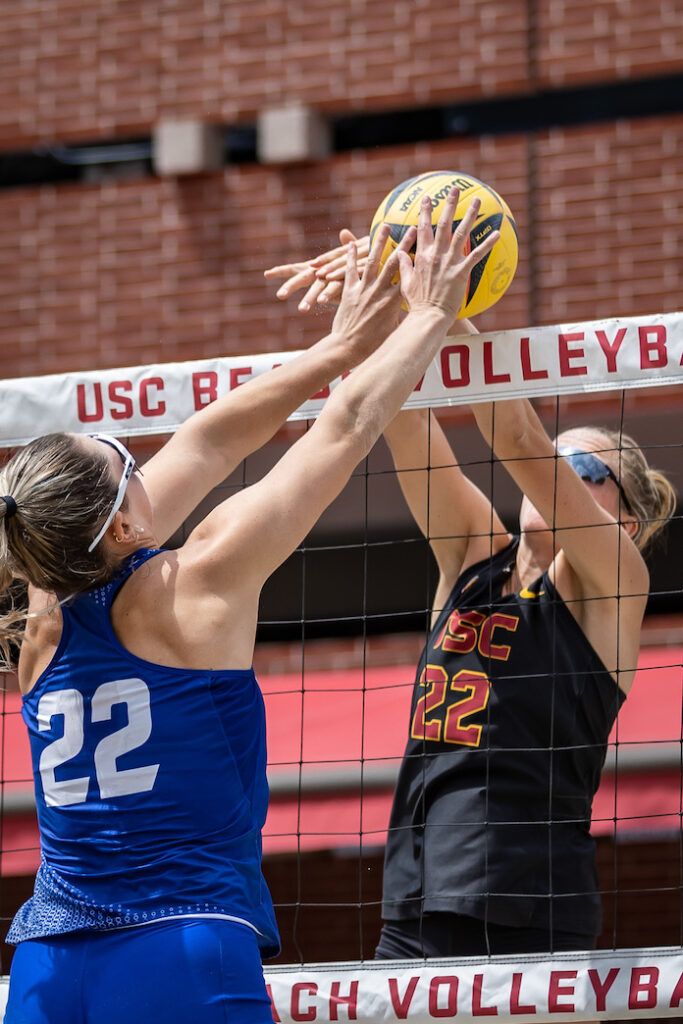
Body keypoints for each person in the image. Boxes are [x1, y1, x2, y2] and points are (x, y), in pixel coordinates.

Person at [1, 189, 498, 1023]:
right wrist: (426, 316)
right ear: (123, 518)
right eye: (130, 463)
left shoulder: (41, 608)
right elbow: (340, 429)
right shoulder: (199, 580)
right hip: (179, 945)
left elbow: (204, 440)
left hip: (47, 969)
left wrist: (336, 344)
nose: (150, 463)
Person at [266, 233, 677, 958]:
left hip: (530, 909)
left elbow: (517, 436)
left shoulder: (612, 583)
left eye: (579, 466)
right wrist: (396, 285)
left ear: (624, 518)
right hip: (414, 900)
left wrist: (451, 303)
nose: (556, 471)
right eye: (563, 460)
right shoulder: (471, 556)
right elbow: (397, 416)